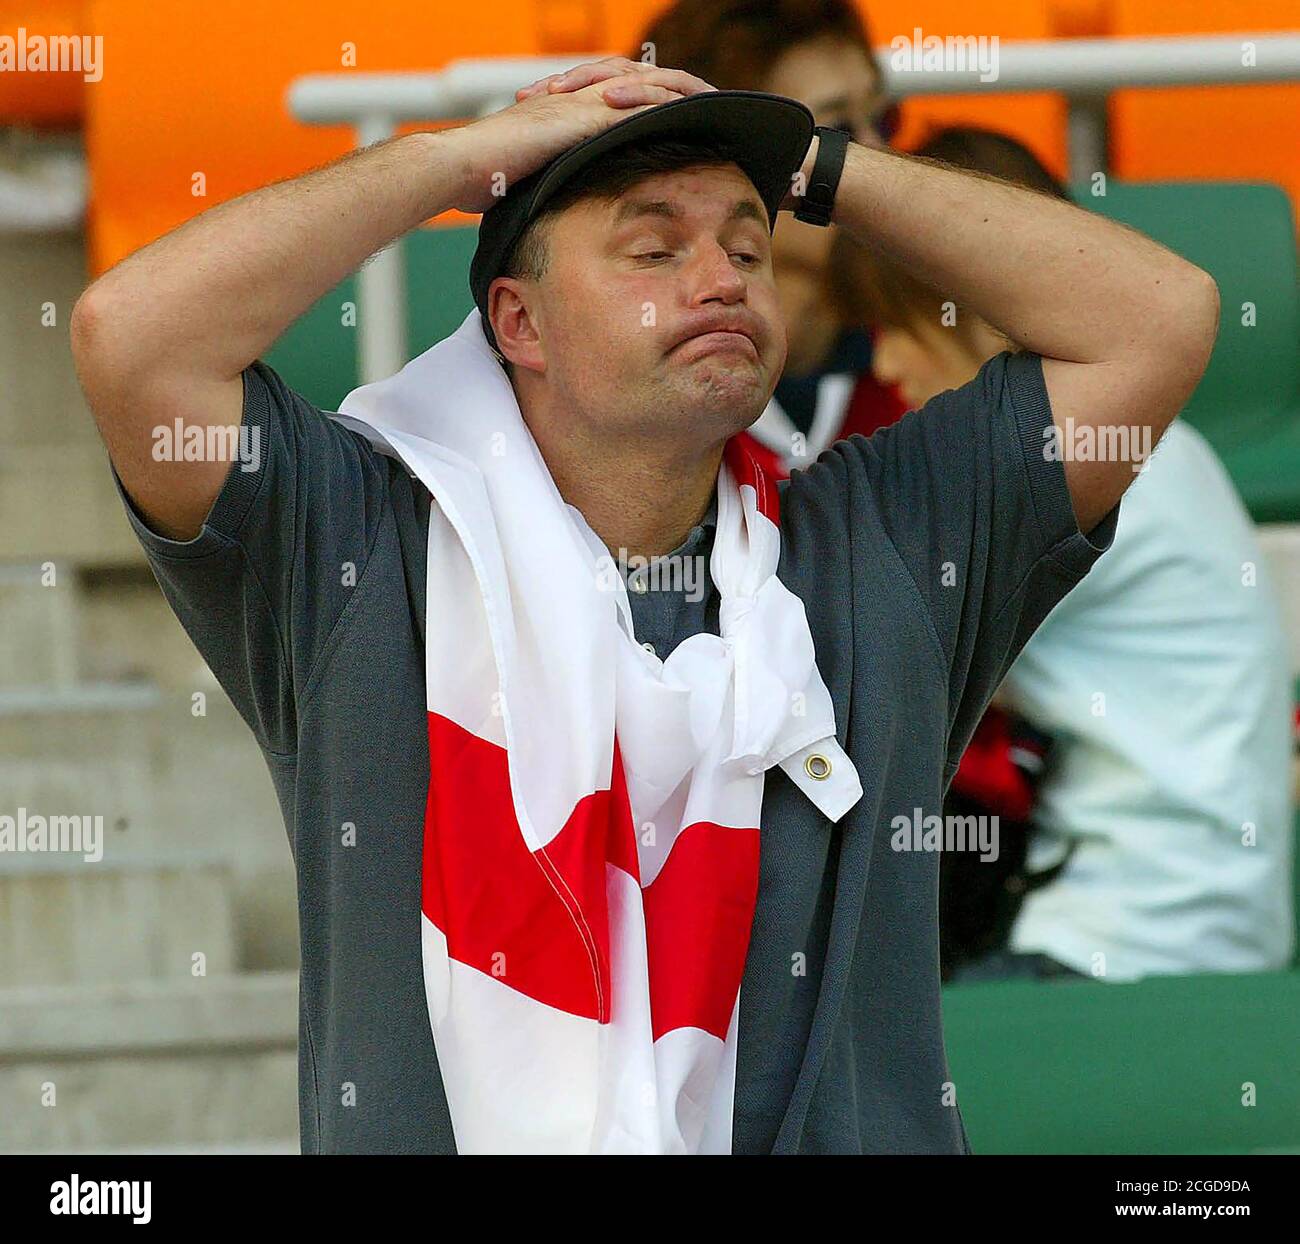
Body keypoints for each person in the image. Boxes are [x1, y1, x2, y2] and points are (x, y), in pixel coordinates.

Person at [70, 59, 1218, 1153]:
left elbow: (1158, 316)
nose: (721, 278)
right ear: (518, 324)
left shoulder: (884, 541)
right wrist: (459, 159)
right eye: (654, 249)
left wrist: (815, 164)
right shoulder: (358, 546)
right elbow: (134, 338)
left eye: (748, 246)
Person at [846, 126, 1293, 983]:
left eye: (900, 327)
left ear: (983, 312)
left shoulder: (1082, 474)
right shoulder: (1157, 449)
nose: (891, 364)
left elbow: (858, 645)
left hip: (1123, 942)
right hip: (1185, 922)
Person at [636, 0, 906, 476]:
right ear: (714, 159)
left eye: (885, 122)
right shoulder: (644, 392)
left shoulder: (925, 358)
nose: (883, 158)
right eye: (838, 132)